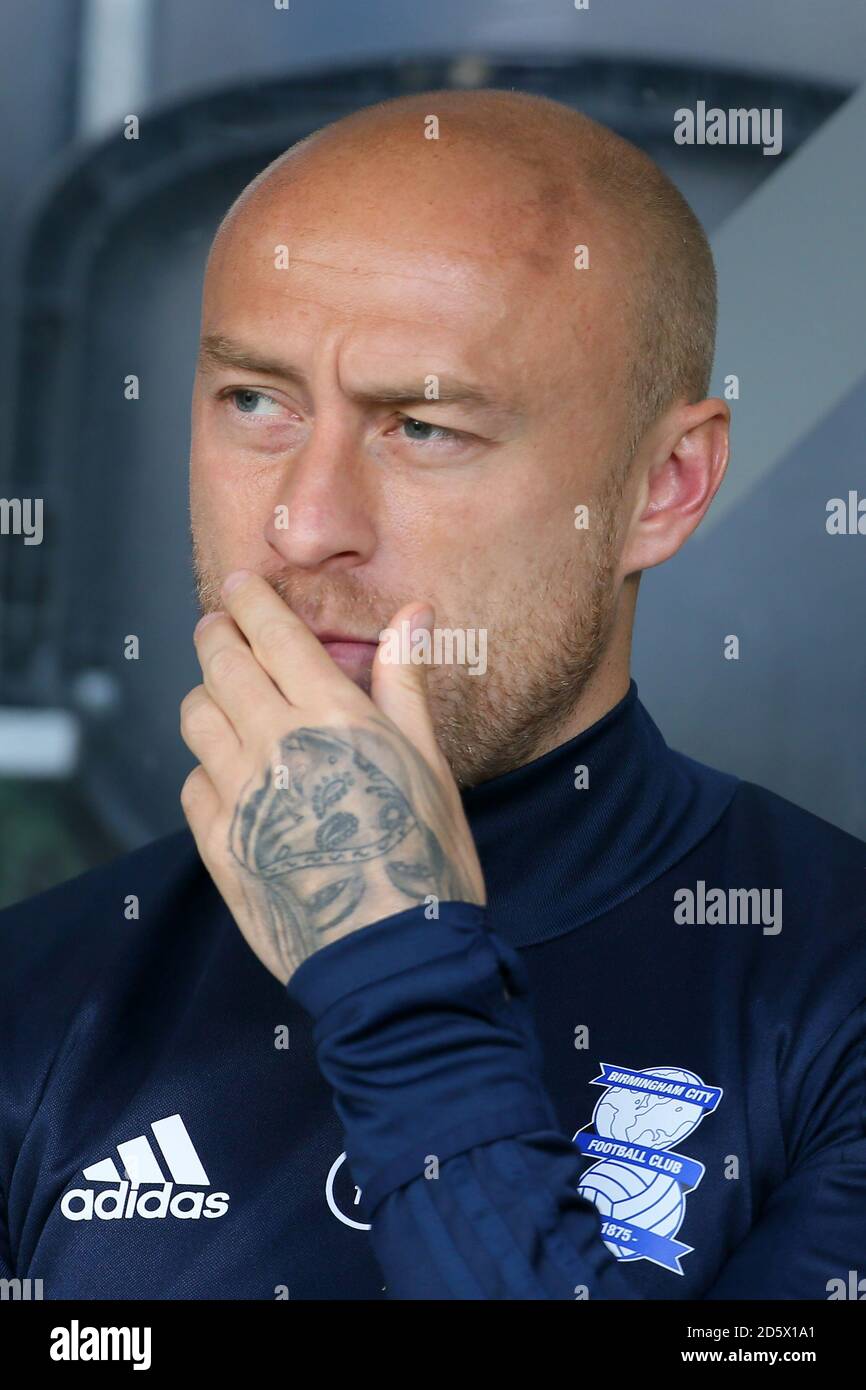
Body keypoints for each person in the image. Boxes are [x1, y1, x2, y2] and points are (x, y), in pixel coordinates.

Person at [1, 89, 864, 1301]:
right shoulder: (37, 996)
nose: (304, 527)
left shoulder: (832, 996)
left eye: (420, 426)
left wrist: (395, 986)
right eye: (256, 403)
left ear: (661, 485)